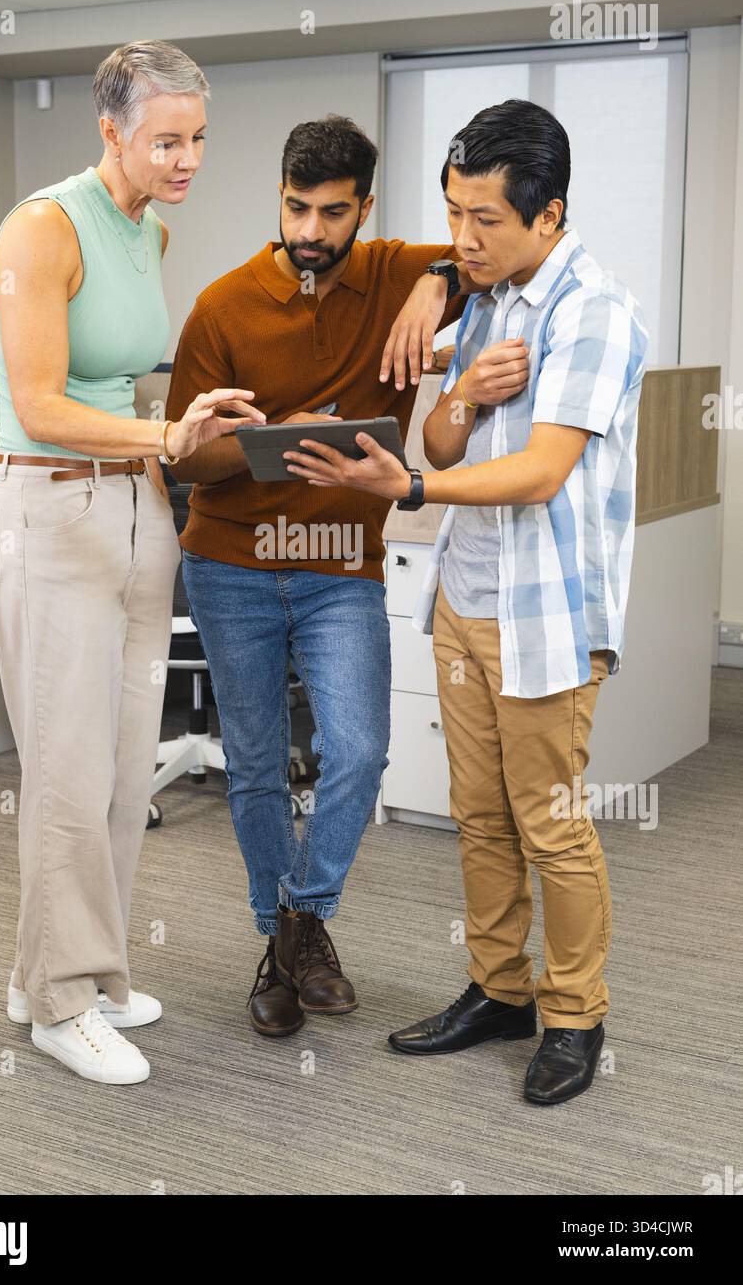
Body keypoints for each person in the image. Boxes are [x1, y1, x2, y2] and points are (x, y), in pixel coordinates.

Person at [284, 99, 647, 1104]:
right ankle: (501, 987)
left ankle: (576, 1011)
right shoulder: (481, 296)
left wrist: (404, 488)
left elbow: (537, 474)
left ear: (550, 211)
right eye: (453, 214)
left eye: (485, 220)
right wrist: (464, 393)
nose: (462, 239)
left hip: (546, 614)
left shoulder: (594, 313)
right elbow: (442, 441)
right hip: (465, 597)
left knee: (551, 822)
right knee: (478, 815)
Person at [0, 39, 264, 1085]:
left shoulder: (152, 231)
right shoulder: (42, 227)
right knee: (65, 769)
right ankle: (58, 1003)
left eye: (197, 139)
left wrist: (185, 433)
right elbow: (44, 404)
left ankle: (74, 974)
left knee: (120, 765)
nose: (186, 158)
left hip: (134, 516)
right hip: (49, 516)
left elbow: (118, 392)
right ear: (111, 130)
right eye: (165, 140)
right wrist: (167, 435)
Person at [164, 114, 474, 1037]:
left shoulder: (391, 271)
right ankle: (284, 943)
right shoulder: (223, 306)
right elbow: (182, 462)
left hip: (342, 567)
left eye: (331, 213)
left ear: (363, 209)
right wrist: (260, 442)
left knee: (359, 751)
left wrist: (435, 286)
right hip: (230, 566)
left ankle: (296, 923)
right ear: (280, 200)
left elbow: (494, 251)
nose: (309, 231)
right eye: (296, 208)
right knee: (258, 767)